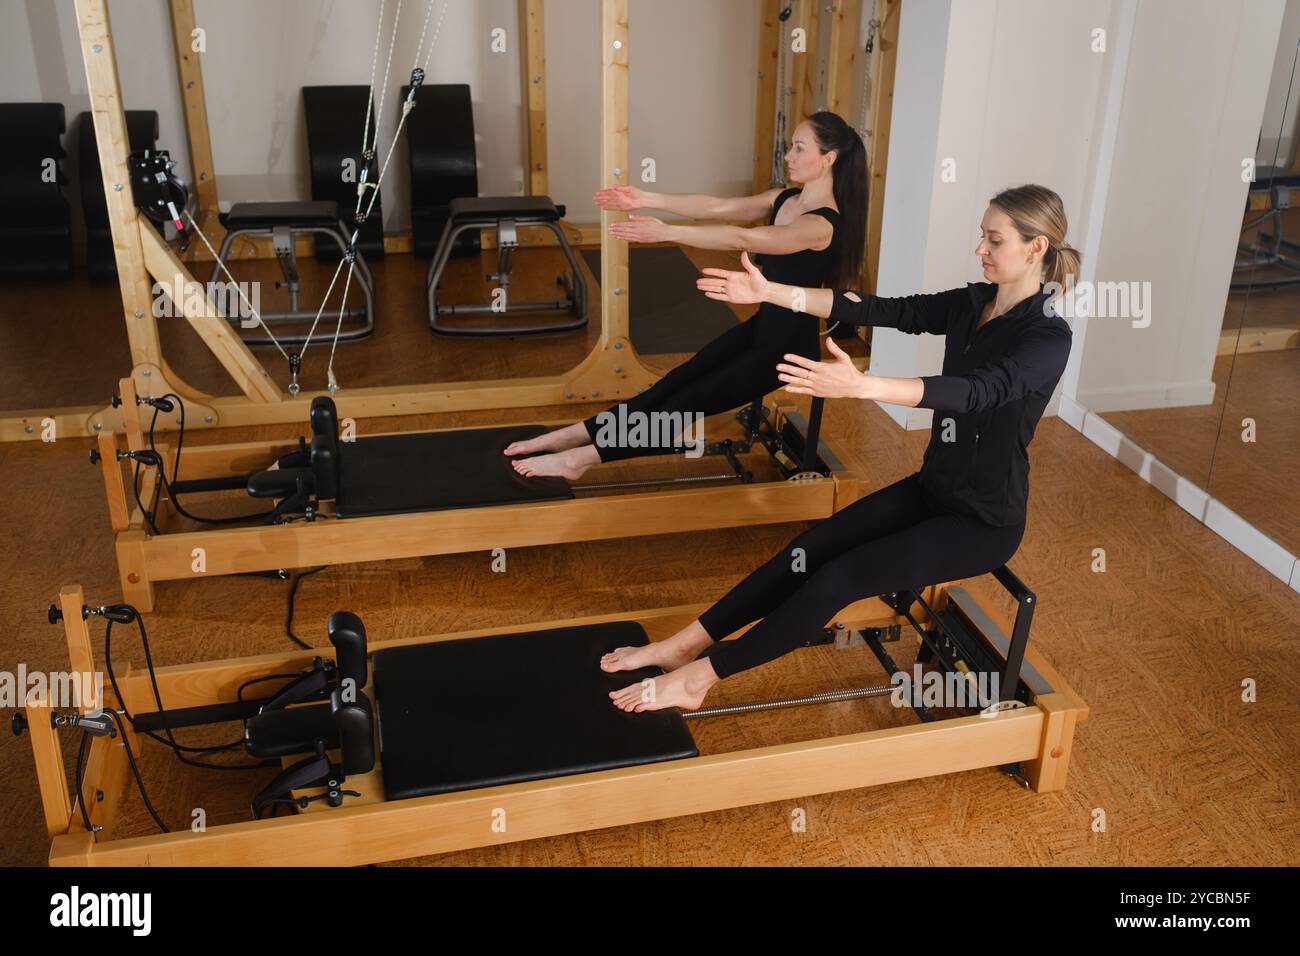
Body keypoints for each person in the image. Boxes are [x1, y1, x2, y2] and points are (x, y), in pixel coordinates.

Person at [603, 184, 1079, 713]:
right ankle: (685, 643)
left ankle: (700, 680)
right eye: (981, 237)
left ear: (1036, 248)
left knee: (840, 577)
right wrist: (772, 293)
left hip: (983, 520)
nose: (981, 250)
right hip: (933, 488)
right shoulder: (973, 303)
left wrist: (865, 385)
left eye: (995, 240)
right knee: (808, 551)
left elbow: (977, 393)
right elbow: (879, 308)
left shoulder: (1047, 338)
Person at [505, 111, 867, 479]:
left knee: (683, 406)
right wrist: (644, 197)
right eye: (791, 146)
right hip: (762, 330)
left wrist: (668, 233)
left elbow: (744, 238)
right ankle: (574, 436)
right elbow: (716, 207)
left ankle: (578, 461)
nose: (788, 155)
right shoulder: (785, 199)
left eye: (798, 148)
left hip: (787, 352)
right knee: (673, 384)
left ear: (828, 158)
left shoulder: (821, 224)